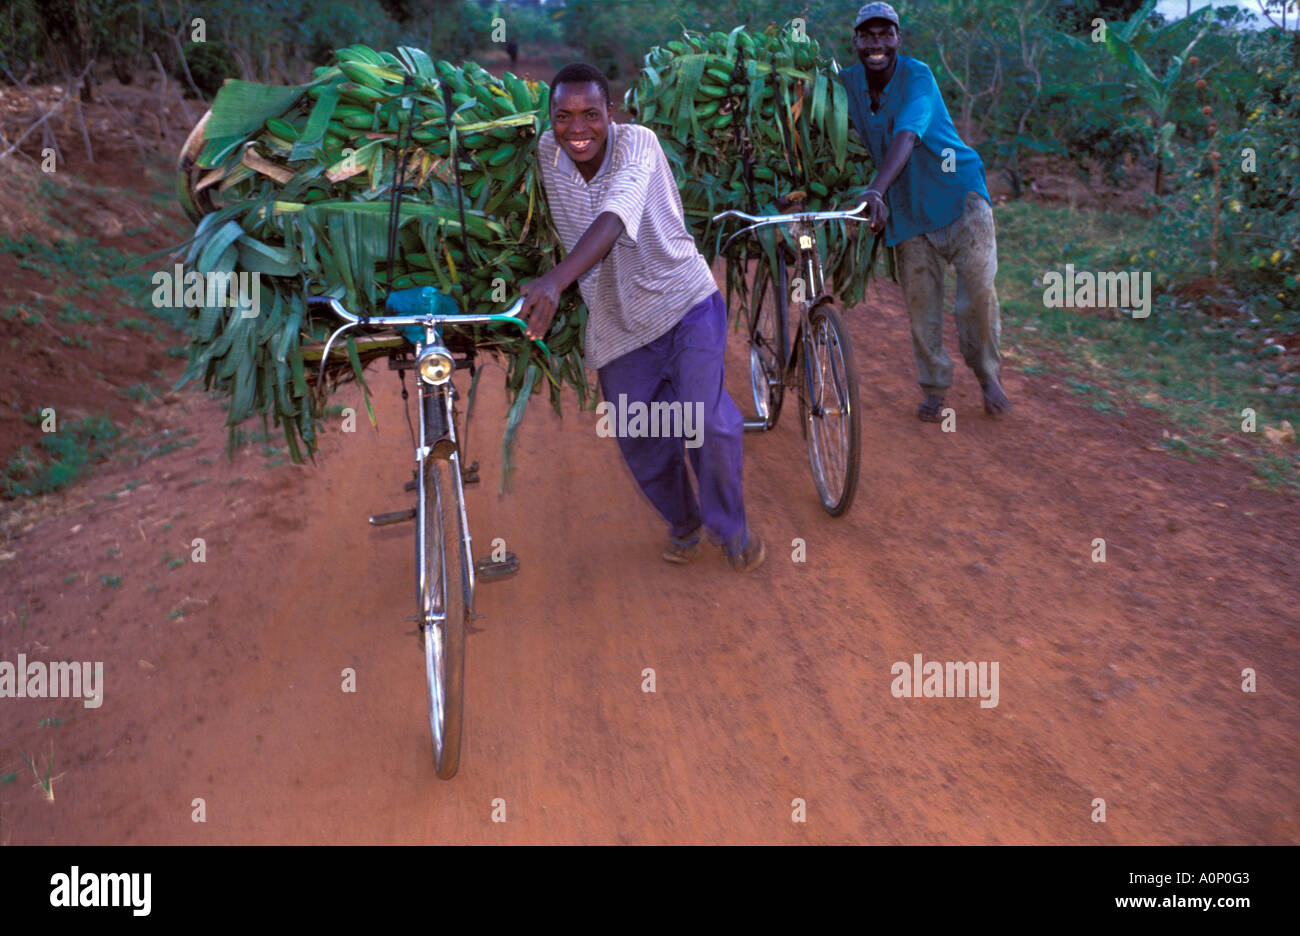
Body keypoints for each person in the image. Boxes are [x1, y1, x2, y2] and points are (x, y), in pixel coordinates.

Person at [519, 62, 765, 571]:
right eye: (563, 117)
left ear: (611, 112)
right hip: (616, 322)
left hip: (683, 303)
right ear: (549, 119)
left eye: (590, 114)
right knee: (639, 436)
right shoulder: (546, 152)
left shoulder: (639, 144)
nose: (577, 129)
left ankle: (729, 525)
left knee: (704, 421)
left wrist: (553, 282)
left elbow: (613, 217)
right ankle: (684, 521)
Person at [840, 2, 1010, 422]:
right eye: (868, 35)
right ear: (857, 42)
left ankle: (988, 376)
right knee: (921, 307)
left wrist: (874, 190)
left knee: (978, 299)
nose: (877, 44)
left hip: (960, 199)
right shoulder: (844, 84)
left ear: (898, 38)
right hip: (908, 211)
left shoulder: (918, 76)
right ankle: (934, 388)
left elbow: (907, 133)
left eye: (885, 34)